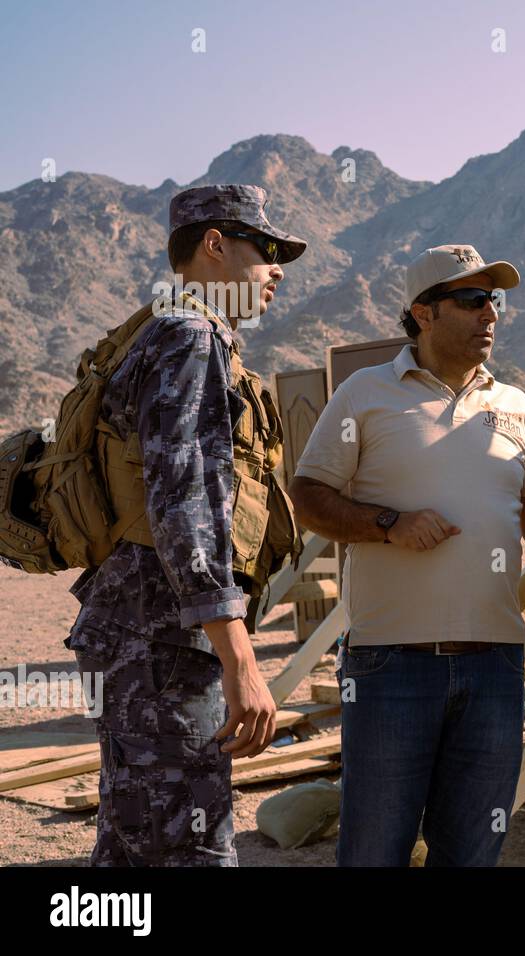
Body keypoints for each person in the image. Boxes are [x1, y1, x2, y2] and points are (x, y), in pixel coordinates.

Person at [289, 244, 525, 866]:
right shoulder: (364, 395)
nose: (491, 315)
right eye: (472, 300)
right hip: (388, 667)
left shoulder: (515, 406)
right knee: (375, 850)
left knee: (473, 854)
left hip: (495, 669)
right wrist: (388, 523)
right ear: (423, 314)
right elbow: (309, 498)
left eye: (495, 301)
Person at [64, 184, 306, 865]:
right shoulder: (191, 336)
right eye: (266, 249)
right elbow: (185, 500)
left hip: (138, 630)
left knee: (133, 845)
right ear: (214, 245)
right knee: (191, 846)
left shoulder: (163, 332)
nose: (278, 268)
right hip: (165, 641)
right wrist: (239, 658)